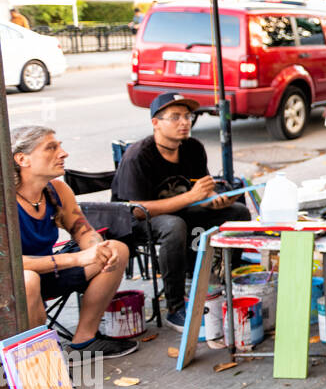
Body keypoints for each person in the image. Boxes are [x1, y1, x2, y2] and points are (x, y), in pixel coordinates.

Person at [111, 93, 252, 331]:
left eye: (187, 116)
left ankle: (228, 280)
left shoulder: (193, 148)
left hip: (184, 213)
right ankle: (175, 308)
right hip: (138, 223)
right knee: (174, 225)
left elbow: (200, 190)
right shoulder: (138, 155)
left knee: (238, 212)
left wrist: (212, 200)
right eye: (175, 117)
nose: (184, 122)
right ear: (155, 122)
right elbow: (135, 210)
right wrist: (191, 198)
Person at [12, 125, 135, 358]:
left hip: (49, 271)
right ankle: (37, 358)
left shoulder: (57, 189)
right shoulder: (6, 200)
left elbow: (83, 232)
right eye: (51, 147)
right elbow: (10, 267)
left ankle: (84, 341)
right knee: (27, 280)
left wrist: (96, 248)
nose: (63, 153)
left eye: (59, 146)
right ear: (22, 159)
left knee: (115, 249)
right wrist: (77, 257)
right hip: (14, 283)